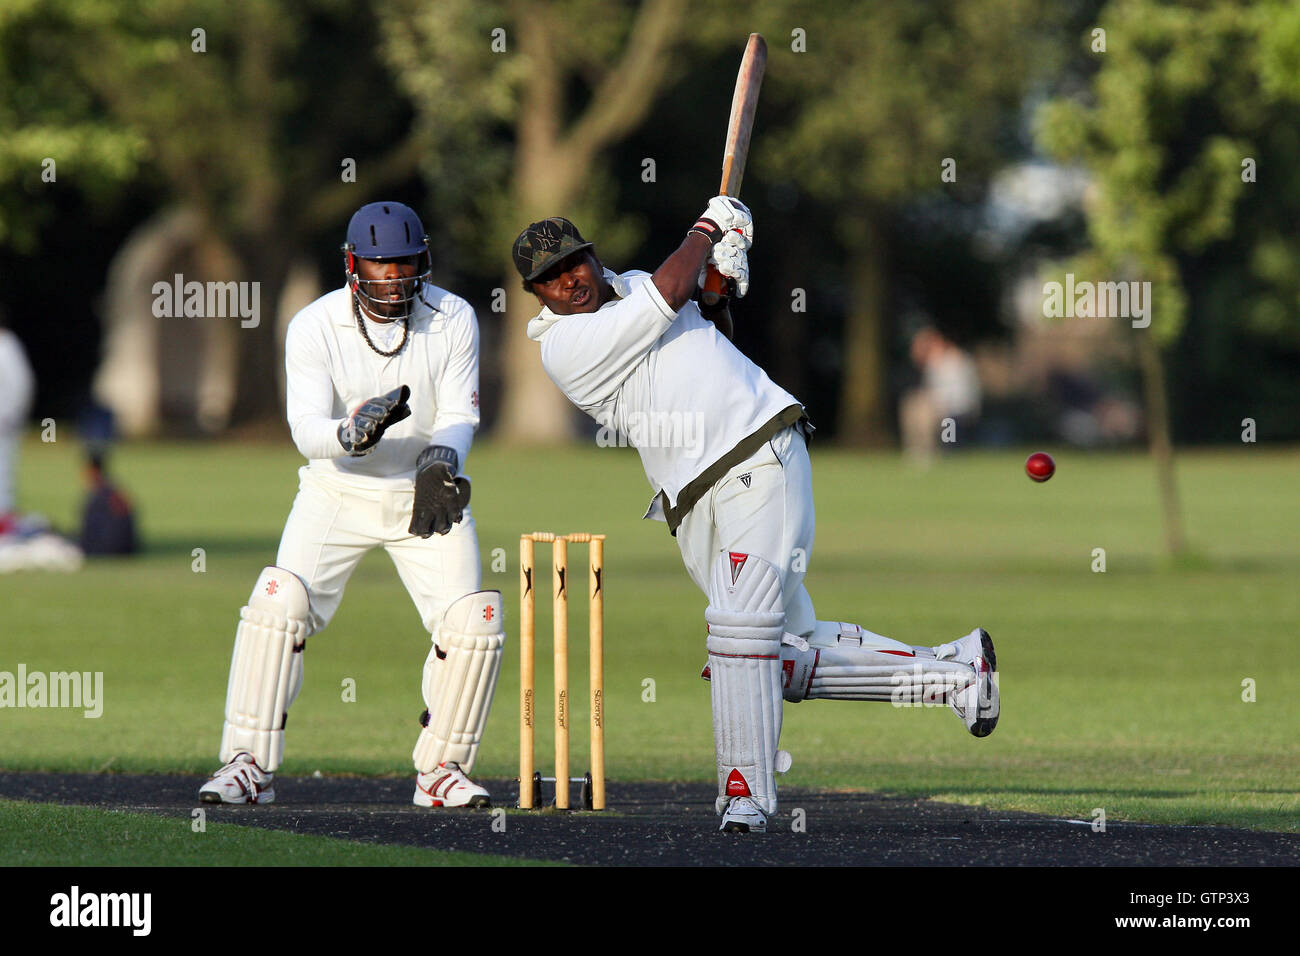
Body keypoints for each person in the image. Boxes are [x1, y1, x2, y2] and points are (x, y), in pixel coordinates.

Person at [514, 204, 999, 833]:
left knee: (739, 629)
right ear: (536, 295)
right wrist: (706, 235)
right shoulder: (565, 344)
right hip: (690, 501)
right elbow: (670, 293)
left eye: (575, 262)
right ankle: (958, 676)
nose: (570, 280)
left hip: (756, 453)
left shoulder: (636, 284)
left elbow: (709, 335)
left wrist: (718, 289)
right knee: (781, 654)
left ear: (592, 253)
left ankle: (744, 794)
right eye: (551, 278)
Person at [200, 202, 502, 808]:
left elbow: (460, 414)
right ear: (352, 263)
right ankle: (246, 765)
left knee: (474, 623)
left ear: (423, 261)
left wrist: (439, 464)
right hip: (336, 490)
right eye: (379, 264)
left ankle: (441, 770)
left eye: (404, 264)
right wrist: (349, 434)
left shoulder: (454, 317)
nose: (392, 276)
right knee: (278, 605)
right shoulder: (314, 325)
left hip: (426, 493)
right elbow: (306, 428)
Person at [0, 318, 35, 537]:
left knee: (3, 477)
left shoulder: (6, 346)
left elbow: (21, 385)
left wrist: (7, 416)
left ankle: (5, 526)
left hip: (3, 427)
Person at [79, 452, 138, 556]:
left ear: (92, 470)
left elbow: (89, 531)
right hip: (127, 547)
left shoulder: (99, 493)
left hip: (108, 548)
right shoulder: (114, 489)